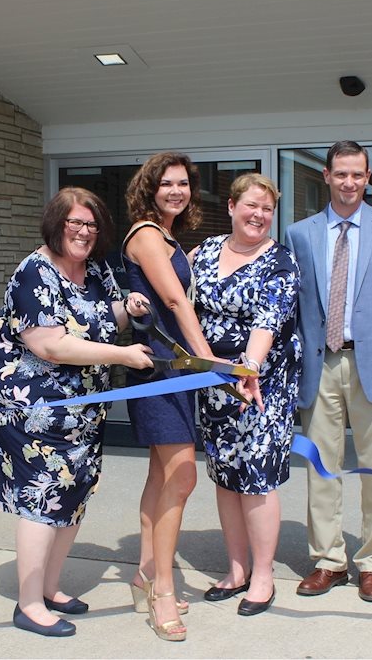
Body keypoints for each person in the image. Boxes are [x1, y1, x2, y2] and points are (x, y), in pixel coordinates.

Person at [0, 187, 154, 638]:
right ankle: (29, 602)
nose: (84, 232)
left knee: (74, 494)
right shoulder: (34, 273)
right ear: (56, 223)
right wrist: (122, 356)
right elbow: (50, 344)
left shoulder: (95, 271)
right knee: (42, 496)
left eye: (92, 225)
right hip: (31, 408)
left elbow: (101, 318)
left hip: (83, 409)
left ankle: (51, 589)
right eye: (75, 223)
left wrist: (128, 309)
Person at [285, 141, 372, 603]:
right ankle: (328, 561)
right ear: (326, 176)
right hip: (320, 366)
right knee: (322, 469)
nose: (348, 182)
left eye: (357, 175)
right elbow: (294, 308)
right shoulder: (300, 233)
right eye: (340, 174)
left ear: (367, 177)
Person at [191, 173, 301, 617]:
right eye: (251, 206)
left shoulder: (280, 261)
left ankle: (263, 575)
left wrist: (250, 367)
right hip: (213, 383)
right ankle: (236, 569)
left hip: (262, 384)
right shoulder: (205, 252)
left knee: (256, 477)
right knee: (224, 474)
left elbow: (267, 322)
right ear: (232, 207)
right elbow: (182, 301)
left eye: (267, 209)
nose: (259, 215)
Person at [121, 151, 214, 641]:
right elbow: (175, 302)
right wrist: (209, 360)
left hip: (170, 367)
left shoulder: (168, 238)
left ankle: (142, 571)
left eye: (183, 184)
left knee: (162, 476)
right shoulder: (147, 235)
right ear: (150, 188)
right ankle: (161, 589)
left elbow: (171, 294)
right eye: (167, 184)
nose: (177, 191)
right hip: (162, 370)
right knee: (183, 476)